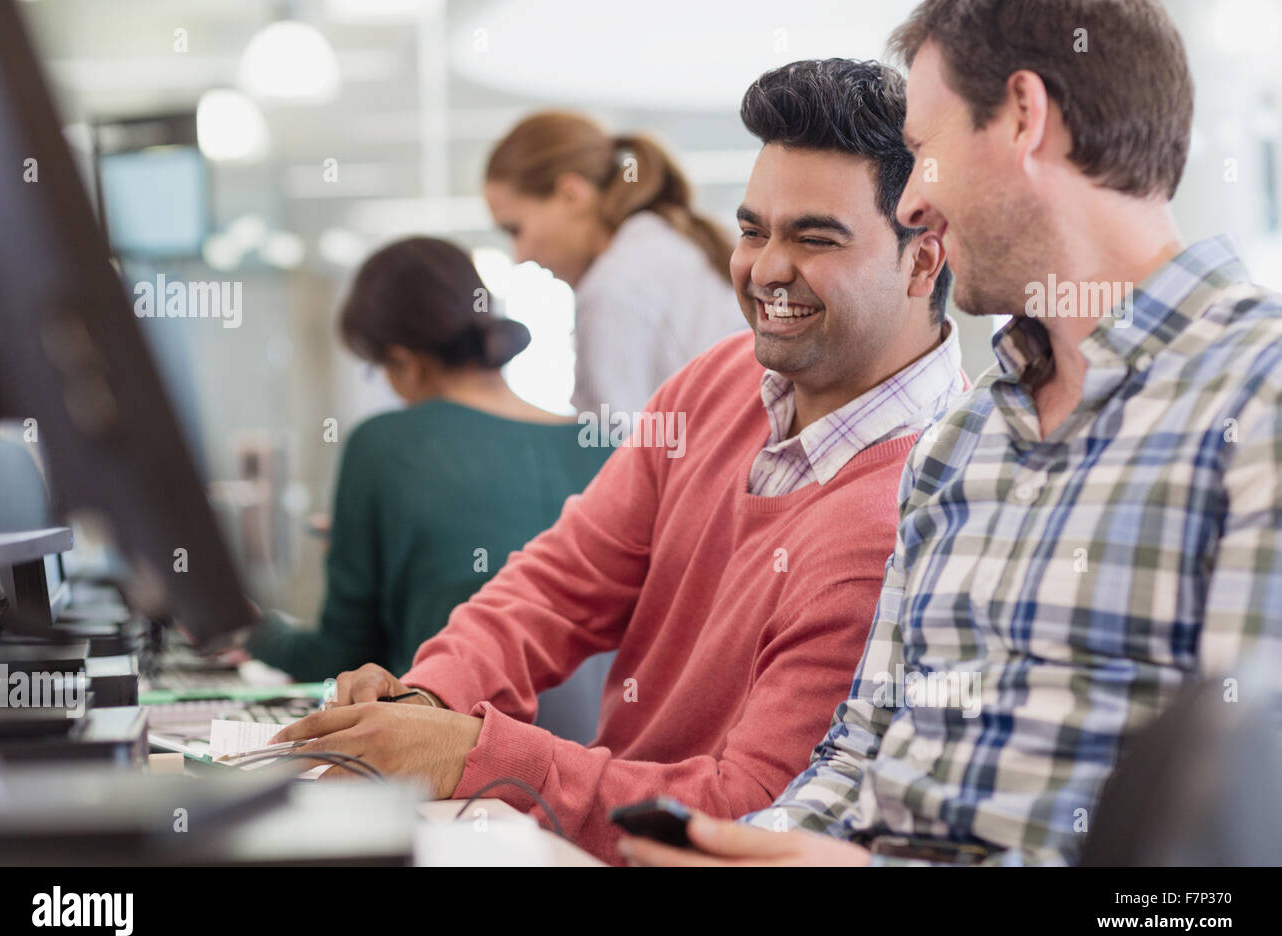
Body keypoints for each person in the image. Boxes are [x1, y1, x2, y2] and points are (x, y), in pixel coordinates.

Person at [621, 0, 1282, 868]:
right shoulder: (960, 441)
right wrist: (743, 850)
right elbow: (857, 756)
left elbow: (1216, 872)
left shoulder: (1258, 401)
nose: (915, 198)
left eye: (924, 150)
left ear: (1022, 118)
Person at [273, 58, 964, 865]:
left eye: (814, 238)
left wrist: (469, 753)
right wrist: (432, 695)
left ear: (923, 259)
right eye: (753, 230)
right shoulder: (716, 383)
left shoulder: (915, 504)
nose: (767, 269)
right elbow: (560, 585)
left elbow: (747, 816)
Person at [244, 237, 613, 741]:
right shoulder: (606, 446)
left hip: (445, 761)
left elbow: (340, 658)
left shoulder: (382, 444)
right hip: (593, 768)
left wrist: (252, 632)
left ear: (405, 362)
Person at [483, 111, 743, 415]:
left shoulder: (612, 289)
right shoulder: (667, 240)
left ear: (571, 195)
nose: (520, 255)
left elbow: (613, 448)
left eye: (515, 230)